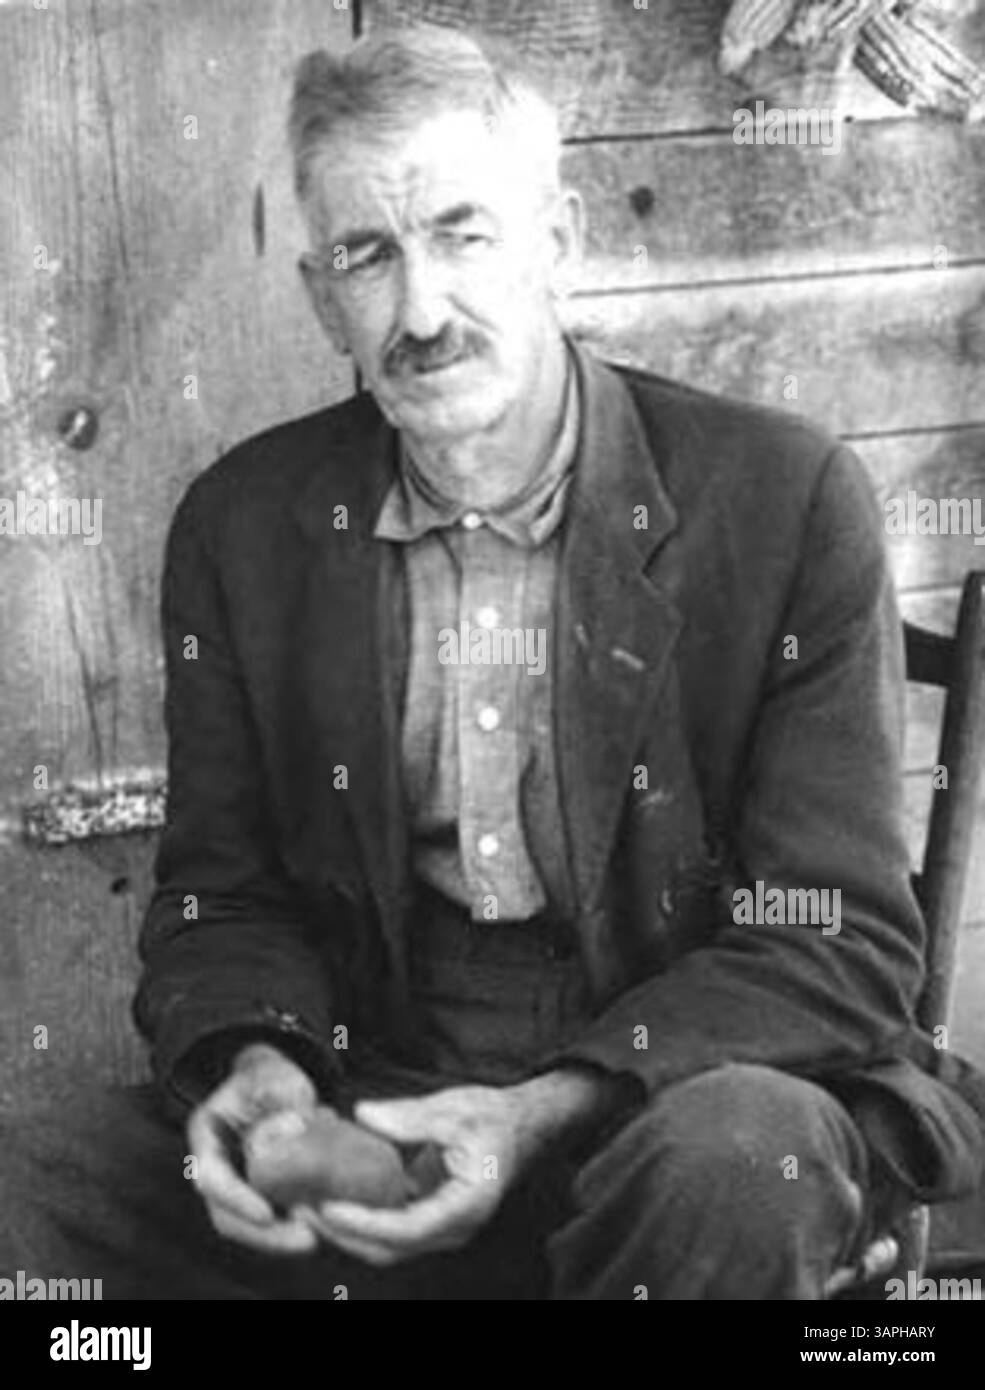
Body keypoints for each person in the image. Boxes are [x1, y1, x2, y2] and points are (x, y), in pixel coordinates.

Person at [4, 23, 983, 1301]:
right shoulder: (244, 525)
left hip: (681, 1072)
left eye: (464, 233)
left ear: (557, 243)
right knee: (29, 1195)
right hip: (386, 1072)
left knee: (737, 1161)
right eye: (367, 255)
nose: (420, 310)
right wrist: (263, 1071)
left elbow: (838, 934)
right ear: (318, 293)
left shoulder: (782, 495)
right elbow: (220, 899)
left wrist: (547, 1109)